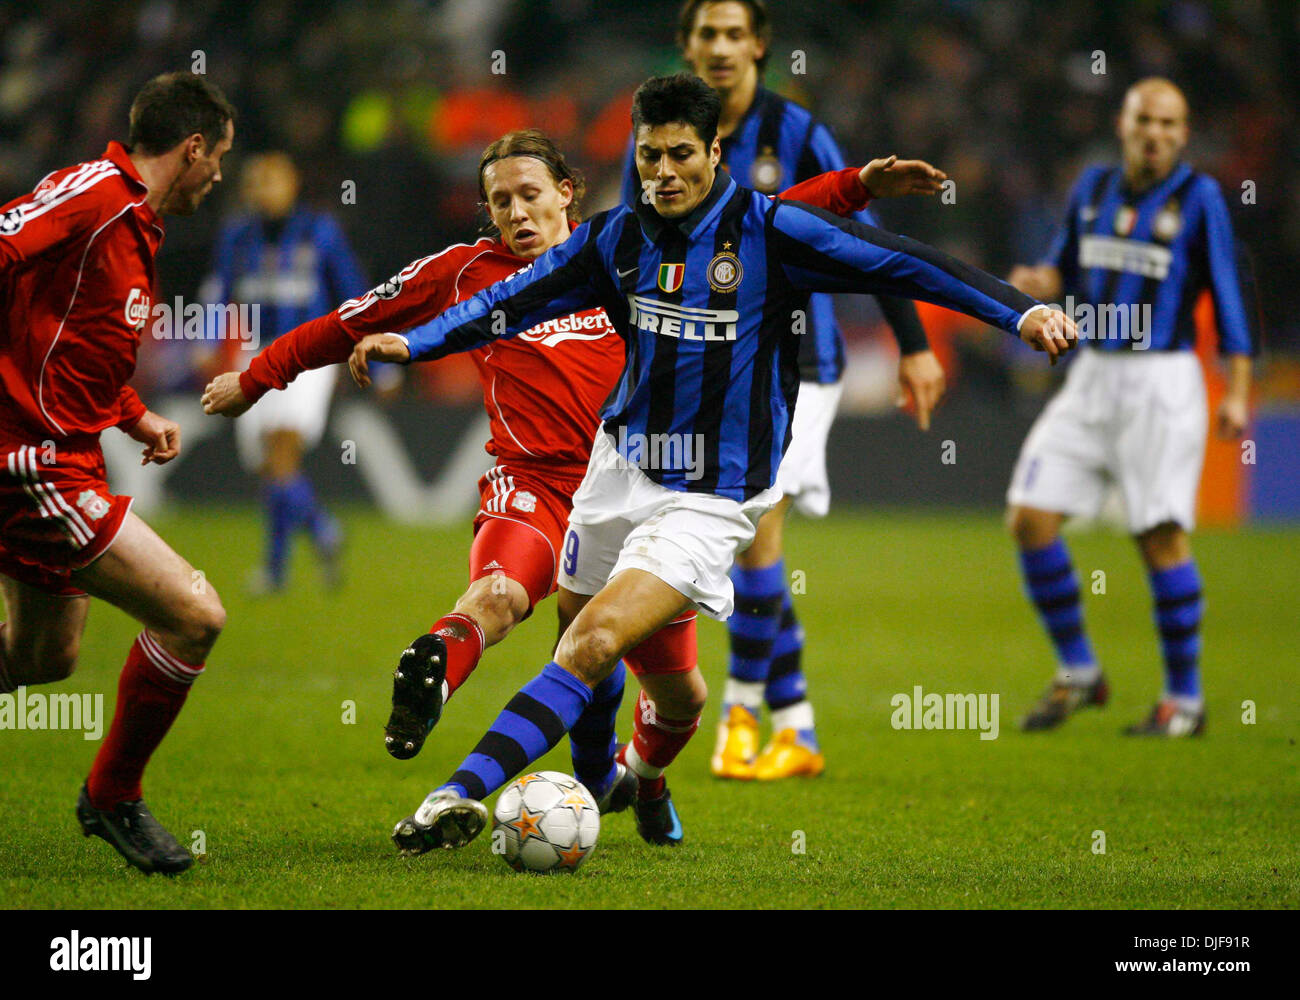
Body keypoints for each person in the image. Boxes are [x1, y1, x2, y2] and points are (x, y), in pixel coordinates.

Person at [351, 73, 1076, 854]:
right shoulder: (614, 239)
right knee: (588, 648)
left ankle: (452, 798)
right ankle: (606, 783)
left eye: (680, 155)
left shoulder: (775, 232)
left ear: (714, 151)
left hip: (712, 495)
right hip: (617, 468)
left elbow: (903, 263)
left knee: (597, 647)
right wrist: (414, 342)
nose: (663, 172)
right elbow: (508, 301)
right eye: (649, 154)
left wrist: (1019, 310)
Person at [200, 129, 931, 841]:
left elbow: (757, 217)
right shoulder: (461, 272)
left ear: (566, 193)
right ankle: (434, 682)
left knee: (679, 697)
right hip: (534, 485)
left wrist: (855, 186)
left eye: (529, 195)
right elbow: (343, 321)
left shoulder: (630, 246)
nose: (515, 213)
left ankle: (636, 777)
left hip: (643, 489)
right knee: (498, 599)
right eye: (499, 201)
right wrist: (258, 378)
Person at [625, 0, 947, 781]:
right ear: (686, 46)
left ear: (761, 47)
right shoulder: (665, 142)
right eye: (708, 34)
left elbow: (862, 241)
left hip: (800, 367)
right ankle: (797, 723)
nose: (722, 47)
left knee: (758, 532)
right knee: (746, 548)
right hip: (707, 363)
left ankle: (738, 715)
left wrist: (913, 345)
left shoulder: (799, 134)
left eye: (736, 34)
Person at [0, 71, 234, 874]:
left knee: (42, 660)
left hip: (65, 451)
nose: (219, 177)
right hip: (30, 462)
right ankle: (113, 796)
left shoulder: (134, 224)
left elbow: (70, 339)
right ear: (194, 147)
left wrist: (131, 413)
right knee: (194, 614)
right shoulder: (96, 191)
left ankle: (109, 795)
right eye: (220, 158)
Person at [1006, 78, 1256, 736]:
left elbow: (1229, 294)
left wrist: (1236, 388)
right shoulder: (1091, 187)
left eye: (1170, 124)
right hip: (1091, 373)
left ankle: (1185, 701)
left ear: (1184, 132)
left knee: (1158, 537)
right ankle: (1082, 672)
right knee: (1029, 518)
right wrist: (1039, 282)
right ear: (1124, 123)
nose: (1157, 134)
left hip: (1161, 383)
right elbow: (1062, 266)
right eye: (1146, 120)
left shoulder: (1201, 198)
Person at [207, 151, 368, 594]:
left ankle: (279, 566)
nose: (264, 191)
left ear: (293, 184)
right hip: (255, 354)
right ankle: (318, 531)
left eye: (272, 181)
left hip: (306, 355)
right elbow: (217, 289)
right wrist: (205, 341)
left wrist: (367, 348)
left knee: (281, 456)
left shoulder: (321, 230)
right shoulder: (237, 234)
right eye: (256, 182)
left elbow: (353, 291)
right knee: (268, 467)